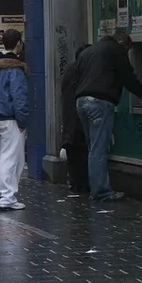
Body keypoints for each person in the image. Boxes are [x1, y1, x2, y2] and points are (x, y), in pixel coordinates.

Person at [75, 31, 142, 202]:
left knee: (93, 148)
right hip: (99, 102)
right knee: (99, 149)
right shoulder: (115, 50)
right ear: (122, 42)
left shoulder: (88, 52)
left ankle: (96, 188)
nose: (127, 54)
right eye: (128, 50)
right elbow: (128, 78)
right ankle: (101, 192)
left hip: (81, 102)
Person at [0, 29, 30, 211]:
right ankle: (7, 197)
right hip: (10, 119)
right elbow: (19, 97)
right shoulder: (15, 69)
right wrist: (22, 120)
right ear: (19, 43)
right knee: (11, 157)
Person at [60, 44, 92, 194]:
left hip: (70, 119)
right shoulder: (81, 71)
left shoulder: (70, 70)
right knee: (82, 151)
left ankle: (75, 182)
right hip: (78, 118)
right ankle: (82, 183)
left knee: (74, 151)